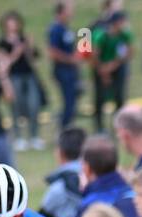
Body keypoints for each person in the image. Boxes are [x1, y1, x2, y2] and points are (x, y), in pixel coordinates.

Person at [0, 11, 44, 152]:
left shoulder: (23, 39)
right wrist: (16, 52)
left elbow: (35, 57)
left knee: (33, 104)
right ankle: (18, 138)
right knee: (16, 106)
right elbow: (5, 63)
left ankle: (34, 136)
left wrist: (29, 46)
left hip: (29, 75)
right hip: (14, 77)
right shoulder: (3, 42)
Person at [91, 10, 132, 132]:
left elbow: (128, 52)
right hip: (100, 67)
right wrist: (103, 71)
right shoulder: (101, 35)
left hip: (116, 67)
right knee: (100, 98)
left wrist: (113, 65)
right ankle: (99, 128)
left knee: (119, 96)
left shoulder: (124, 35)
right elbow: (94, 56)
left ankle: (118, 126)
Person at [47, 2, 82, 130]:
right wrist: (70, 59)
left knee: (73, 100)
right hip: (63, 71)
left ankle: (67, 124)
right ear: (61, 12)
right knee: (68, 101)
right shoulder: (55, 29)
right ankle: (64, 128)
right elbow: (52, 51)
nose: (71, 13)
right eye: (69, 10)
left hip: (72, 71)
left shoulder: (66, 28)